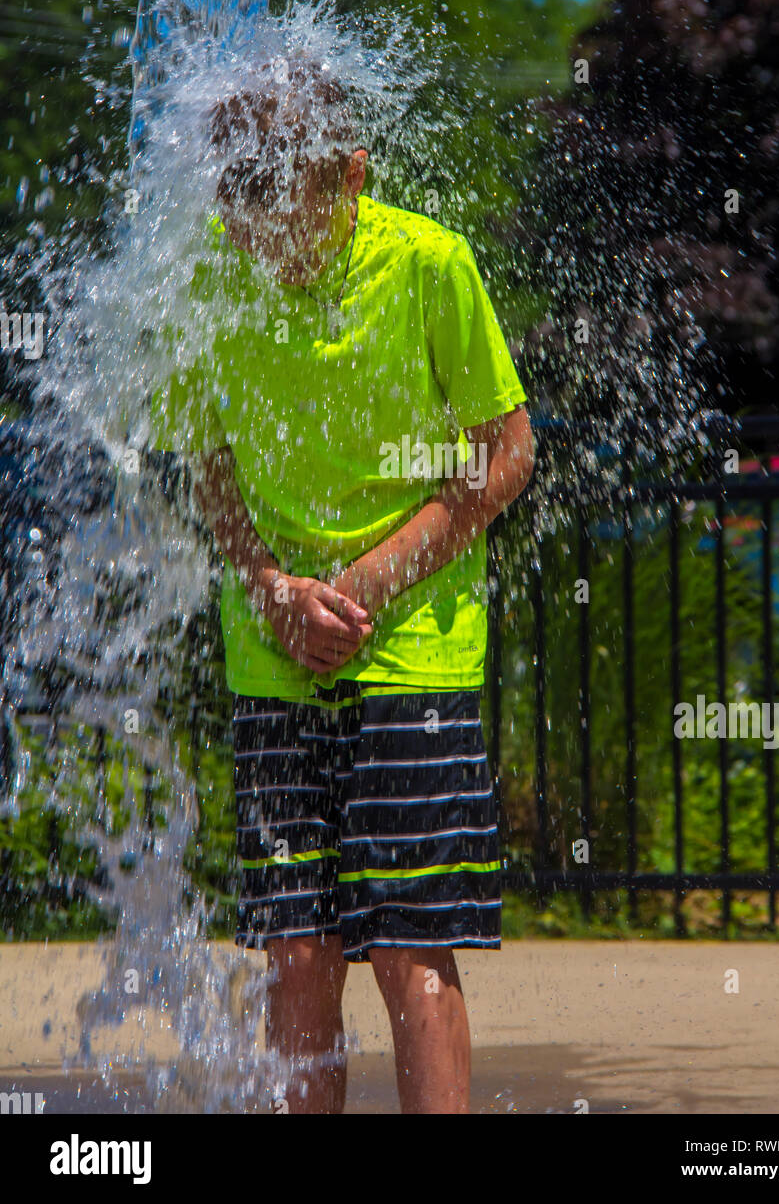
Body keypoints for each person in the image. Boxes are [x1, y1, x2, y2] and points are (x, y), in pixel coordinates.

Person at [150, 54, 535, 1114]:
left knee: (408, 948)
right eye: (241, 219)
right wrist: (271, 583)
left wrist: (363, 580)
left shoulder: (428, 263)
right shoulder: (207, 278)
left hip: (410, 644)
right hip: (273, 647)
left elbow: (503, 451)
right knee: (296, 951)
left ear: (351, 175)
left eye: (283, 219)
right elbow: (208, 462)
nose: (260, 248)